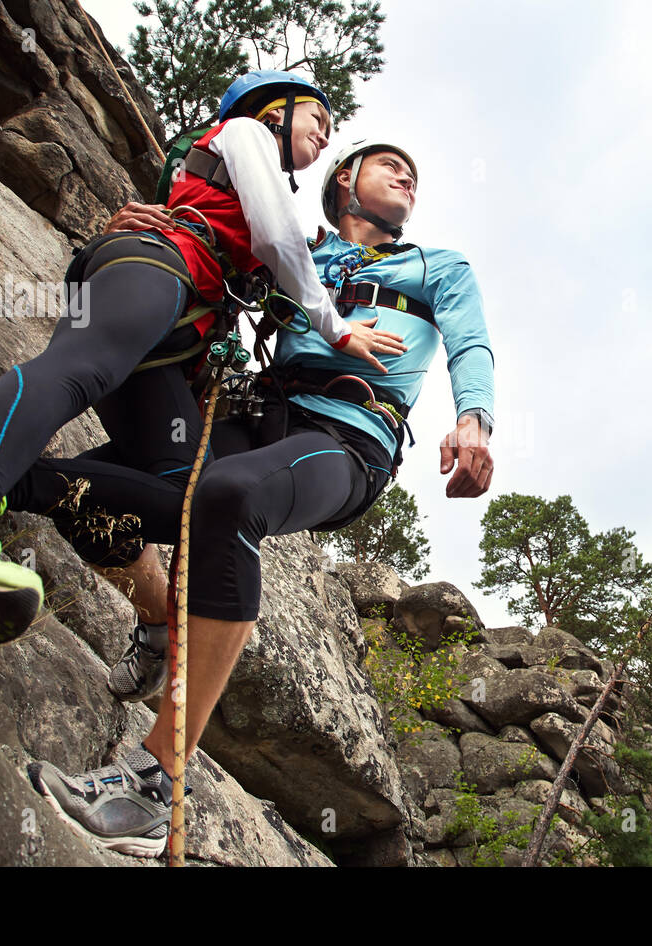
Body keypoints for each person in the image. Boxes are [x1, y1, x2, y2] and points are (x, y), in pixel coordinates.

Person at [25, 137, 496, 857]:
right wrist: (147, 224)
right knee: (79, 485)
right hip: (255, 416)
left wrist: (473, 418)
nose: (407, 175)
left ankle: (155, 783)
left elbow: (469, 342)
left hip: (348, 437)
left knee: (228, 497)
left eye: (415, 175)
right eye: (389, 163)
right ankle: (155, 619)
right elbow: (215, 247)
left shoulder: (437, 267)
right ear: (344, 180)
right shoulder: (298, 251)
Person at [0, 71, 403, 646]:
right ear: (275, 109)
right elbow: (278, 239)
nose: (324, 136)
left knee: (189, 494)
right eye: (317, 120)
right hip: (158, 265)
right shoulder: (247, 132)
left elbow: (275, 265)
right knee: (82, 368)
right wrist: (338, 330)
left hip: (176, 335)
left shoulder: (244, 171)